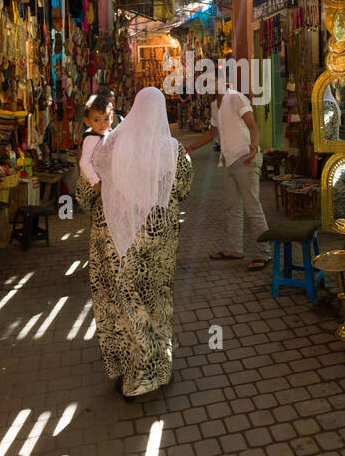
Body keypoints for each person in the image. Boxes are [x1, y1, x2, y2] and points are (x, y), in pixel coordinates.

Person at [76, 87, 193, 402]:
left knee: (122, 304)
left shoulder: (110, 145)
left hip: (115, 239)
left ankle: (133, 370)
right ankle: (156, 368)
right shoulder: (173, 149)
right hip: (158, 240)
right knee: (156, 299)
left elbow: (85, 190)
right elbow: (183, 186)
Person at [185, 85, 271, 271]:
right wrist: (192, 147)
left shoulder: (236, 98)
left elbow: (252, 125)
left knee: (252, 207)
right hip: (230, 160)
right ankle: (234, 249)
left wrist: (254, 148)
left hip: (245, 158)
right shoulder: (216, 105)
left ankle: (264, 253)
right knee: (233, 206)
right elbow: (211, 133)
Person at [79, 92, 113, 193]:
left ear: (111, 118)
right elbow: (84, 162)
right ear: (87, 121)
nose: (102, 124)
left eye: (106, 119)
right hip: (91, 185)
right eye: (96, 120)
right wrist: (96, 182)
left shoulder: (107, 134)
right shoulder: (92, 138)